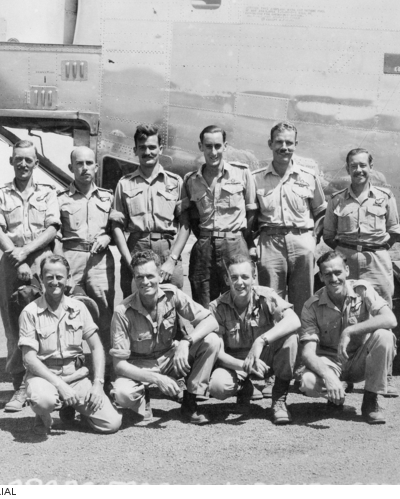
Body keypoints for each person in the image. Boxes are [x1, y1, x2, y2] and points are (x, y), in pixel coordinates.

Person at [253, 121, 326, 396]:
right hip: (270, 242)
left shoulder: (308, 177)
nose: (284, 147)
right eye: (279, 142)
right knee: (272, 305)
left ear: (296, 144)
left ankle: (299, 368)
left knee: (304, 304)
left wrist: (312, 242)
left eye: (289, 142)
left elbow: (320, 211)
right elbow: (251, 216)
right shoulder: (256, 178)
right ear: (270, 144)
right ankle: (272, 369)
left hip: (302, 242)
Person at [323, 148, 400, 395]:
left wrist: (374, 249)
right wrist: (349, 252)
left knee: (381, 313)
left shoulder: (385, 197)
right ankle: (343, 369)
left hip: (377, 260)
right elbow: (328, 235)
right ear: (347, 169)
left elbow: (394, 231)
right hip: (346, 259)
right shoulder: (337, 200)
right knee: (344, 315)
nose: (358, 170)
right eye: (353, 166)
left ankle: (384, 377)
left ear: (370, 167)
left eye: (363, 165)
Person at [0, 140, 60, 412]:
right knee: (13, 327)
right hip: (10, 264)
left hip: (41, 263)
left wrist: (27, 252)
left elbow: (53, 227)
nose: (23, 164)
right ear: (11, 161)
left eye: (28, 160)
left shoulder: (48, 192)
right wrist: (15, 255)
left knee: (46, 323)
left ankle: (47, 381)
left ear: (36, 163)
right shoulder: (1, 193)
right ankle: (19, 387)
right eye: (18, 159)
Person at [109, 250, 221, 425]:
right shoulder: (122, 312)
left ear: (160, 276)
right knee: (122, 394)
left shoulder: (172, 295)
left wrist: (186, 342)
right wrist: (155, 379)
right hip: (140, 365)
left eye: (150, 276)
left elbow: (210, 321)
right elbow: (119, 365)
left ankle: (189, 400)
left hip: (170, 358)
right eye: (139, 277)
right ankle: (141, 399)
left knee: (212, 341)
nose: (145, 282)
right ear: (134, 279)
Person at [18, 255, 122, 436]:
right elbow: (29, 359)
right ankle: (44, 413)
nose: (54, 282)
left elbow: (97, 347)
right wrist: (60, 385)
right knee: (43, 400)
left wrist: (98, 384)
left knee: (111, 424)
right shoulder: (30, 312)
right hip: (44, 377)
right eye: (49, 277)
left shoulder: (79, 308)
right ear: (41, 279)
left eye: (59, 277)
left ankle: (78, 409)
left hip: (76, 376)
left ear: (68, 279)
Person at [297, 251, 397, 424]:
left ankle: (370, 401)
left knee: (385, 336)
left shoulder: (362, 290)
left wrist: (349, 331)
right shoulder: (311, 306)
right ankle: (336, 396)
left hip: (359, 359)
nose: (334, 278)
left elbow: (390, 319)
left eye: (338, 273)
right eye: (327, 274)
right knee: (307, 382)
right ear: (320, 276)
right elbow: (308, 353)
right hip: (330, 361)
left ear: (347, 271)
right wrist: (328, 376)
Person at [208, 255, 300, 425]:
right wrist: (244, 365)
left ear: (254, 277)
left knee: (291, 337)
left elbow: (294, 320)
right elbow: (218, 354)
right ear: (226, 280)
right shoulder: (217, 307)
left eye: (245, 277)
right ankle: (244, 389)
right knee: (217, 387)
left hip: (264, 358)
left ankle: (279, 399)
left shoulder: (266, 296)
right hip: (235, 364)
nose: (240, 282)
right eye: (234, 277)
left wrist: (261, 341)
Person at [181, 125, 258, 308]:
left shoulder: (242, 174)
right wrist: (206, 239)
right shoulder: (191, 180)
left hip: (235, 244)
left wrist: (242, 240)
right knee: (204, 301)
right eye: (208, 146)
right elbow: (192, 216)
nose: (213, 152)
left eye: (217, 146)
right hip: (204, 248)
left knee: (238, 298)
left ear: (225, 146)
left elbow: (252, 212)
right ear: (201, 147)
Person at [110, 124, 189, 298]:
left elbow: (185, 224)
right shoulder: (125, 184)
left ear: (160, 149)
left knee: (172, 306)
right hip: (137, 248)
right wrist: (129, 261)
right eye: (142, 148)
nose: (148, 152)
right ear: (135, 150)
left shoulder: (175, 182)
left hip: (166, 250)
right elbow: (117, 226)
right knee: (136, 306)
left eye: (152, 147)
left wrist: (171, 260)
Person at [55, 146, 115, 377]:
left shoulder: (108, 197)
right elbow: (56, 234)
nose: (85, 168)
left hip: (100, 261)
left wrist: (107, 236)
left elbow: (116, 228)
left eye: (89, 163)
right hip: (71, 258)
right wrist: (63, 267)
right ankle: (69, 371)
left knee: (105, 315)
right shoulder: (60, 199)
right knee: (67, 315)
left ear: (96, 167)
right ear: (71, 168)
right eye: (79, 164)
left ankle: (106, 372)